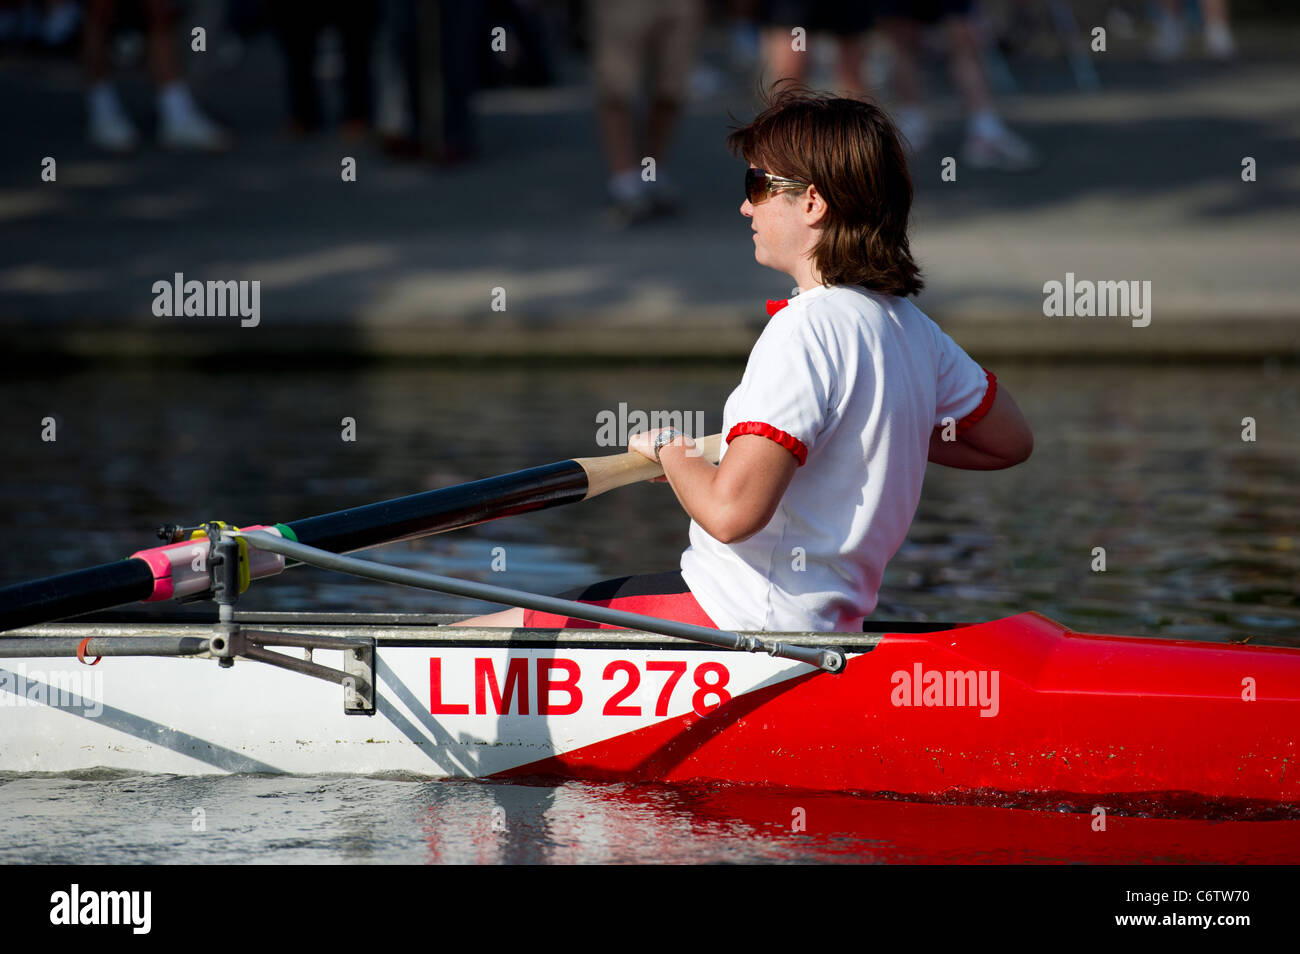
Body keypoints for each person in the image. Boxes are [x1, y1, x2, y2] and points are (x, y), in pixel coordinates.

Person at [462, 83, 1032, 634]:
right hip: (825, 623)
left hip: (735, 619)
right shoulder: (914, 329)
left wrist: (670, 451)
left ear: (812, 201)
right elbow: (1008, 441)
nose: (743, 206)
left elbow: (731, 514)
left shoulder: (802, 331)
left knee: (485, 630)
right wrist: (870, 432)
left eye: (757, 185)